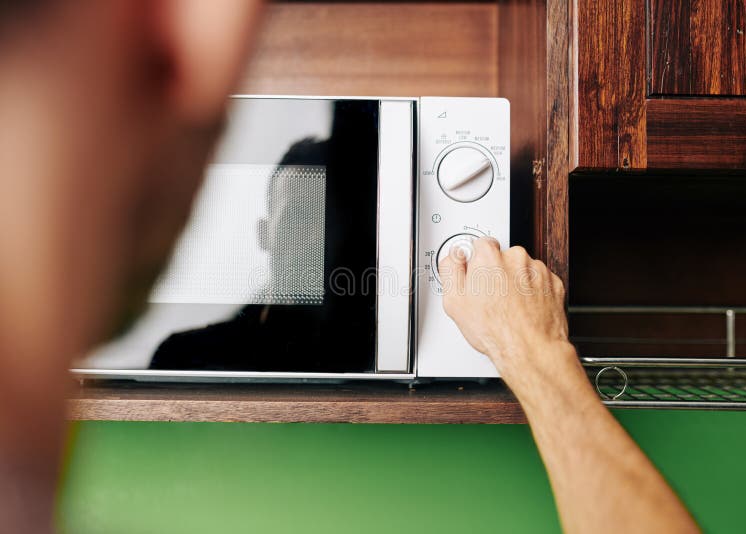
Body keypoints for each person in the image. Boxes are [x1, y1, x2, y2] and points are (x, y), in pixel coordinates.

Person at [0, 1, 698, 532]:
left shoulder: (186, 347)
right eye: (294, 218)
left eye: (318, 220)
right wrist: (536, 354)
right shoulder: (192, 346)